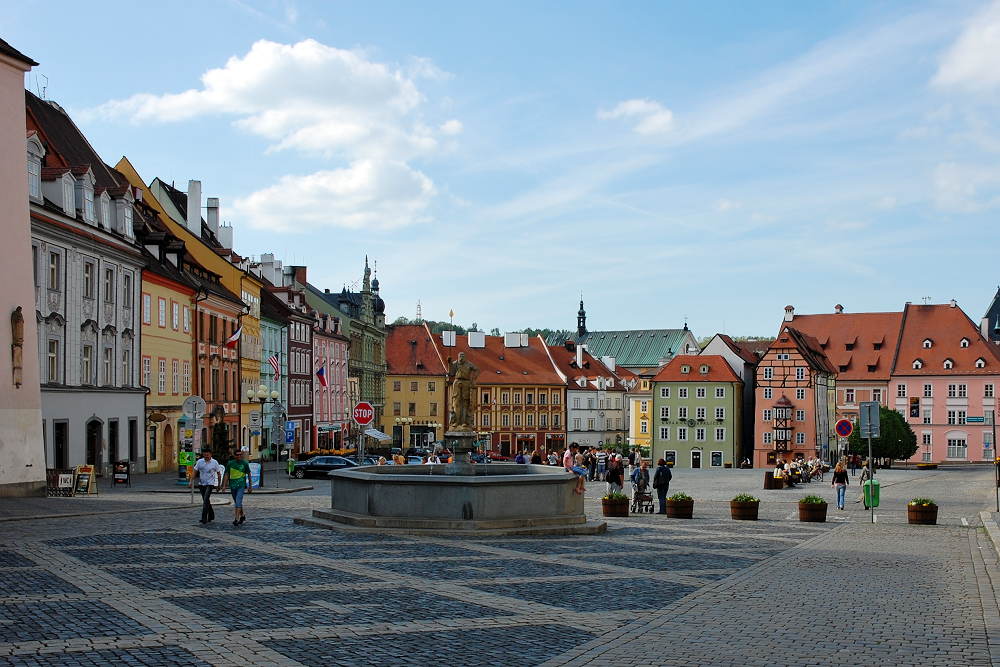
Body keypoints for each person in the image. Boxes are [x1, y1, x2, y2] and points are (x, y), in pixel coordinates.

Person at [191, 449, 223, 525]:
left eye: (207, 455)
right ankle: (211, 515)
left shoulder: (214, 462)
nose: (206, 456)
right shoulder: (200, 462)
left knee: (205, 500)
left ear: (211, 454)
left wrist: (219, 485)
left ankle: (204, 518)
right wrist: (191, 481)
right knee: (206, 500)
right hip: (201, 484)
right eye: (205, 455)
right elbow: (195, 471)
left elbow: (218, 474)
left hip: (210, 484)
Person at [222, 450, 252, 526]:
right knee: (237, 502)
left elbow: (249, 474)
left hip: (241, 485)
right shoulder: (230, 463)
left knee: (238, 501)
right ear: (234, 456)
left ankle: (236, 519)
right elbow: (226, 474)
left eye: (240, 455)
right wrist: (224, 485)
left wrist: (250, 486)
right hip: (232, 485)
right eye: (237, 455)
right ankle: (242, 515)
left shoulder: (244, 463)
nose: (239, 456)